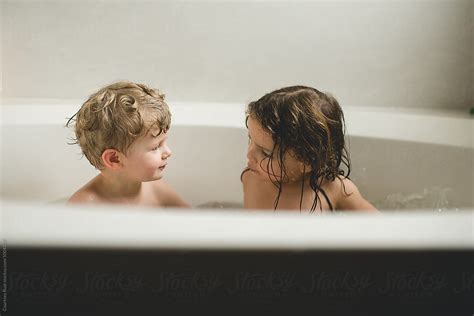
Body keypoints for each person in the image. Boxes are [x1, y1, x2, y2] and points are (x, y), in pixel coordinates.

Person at [242, 85, 378, 213]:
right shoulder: (251, 177)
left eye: (266, 153)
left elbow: (381, 226)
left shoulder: (336, 190)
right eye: (250, 140)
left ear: (307, 161)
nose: (249, 155)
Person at [66, 81, 189, 207]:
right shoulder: (84, 205)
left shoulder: (154, 188)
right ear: (114, 159)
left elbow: (191, 219)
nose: (168, 152)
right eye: (155, 147)